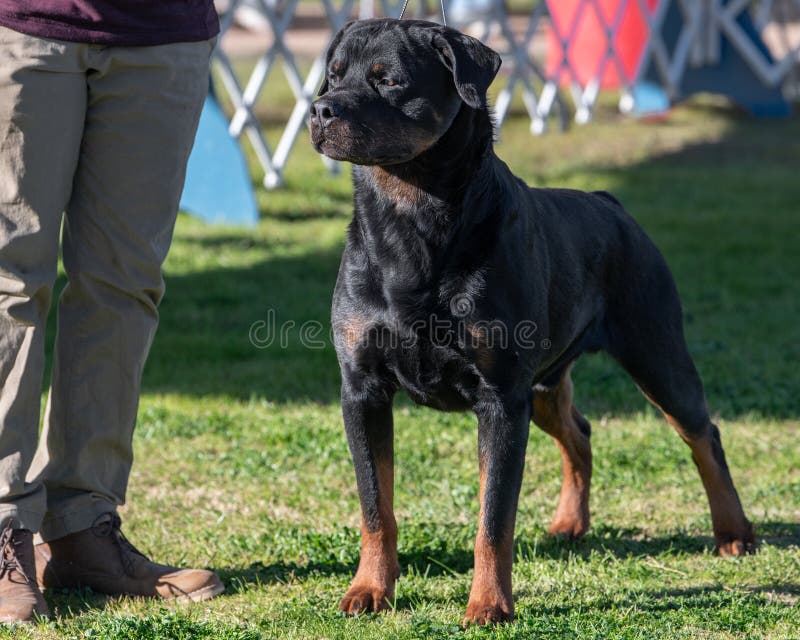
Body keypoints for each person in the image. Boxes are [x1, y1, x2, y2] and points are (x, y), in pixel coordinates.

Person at [0, 1, 224, 623]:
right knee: (9, 283)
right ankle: (3, 529)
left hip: (164, 35)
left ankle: (79, 525)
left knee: (123, 287)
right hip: (24, 24)